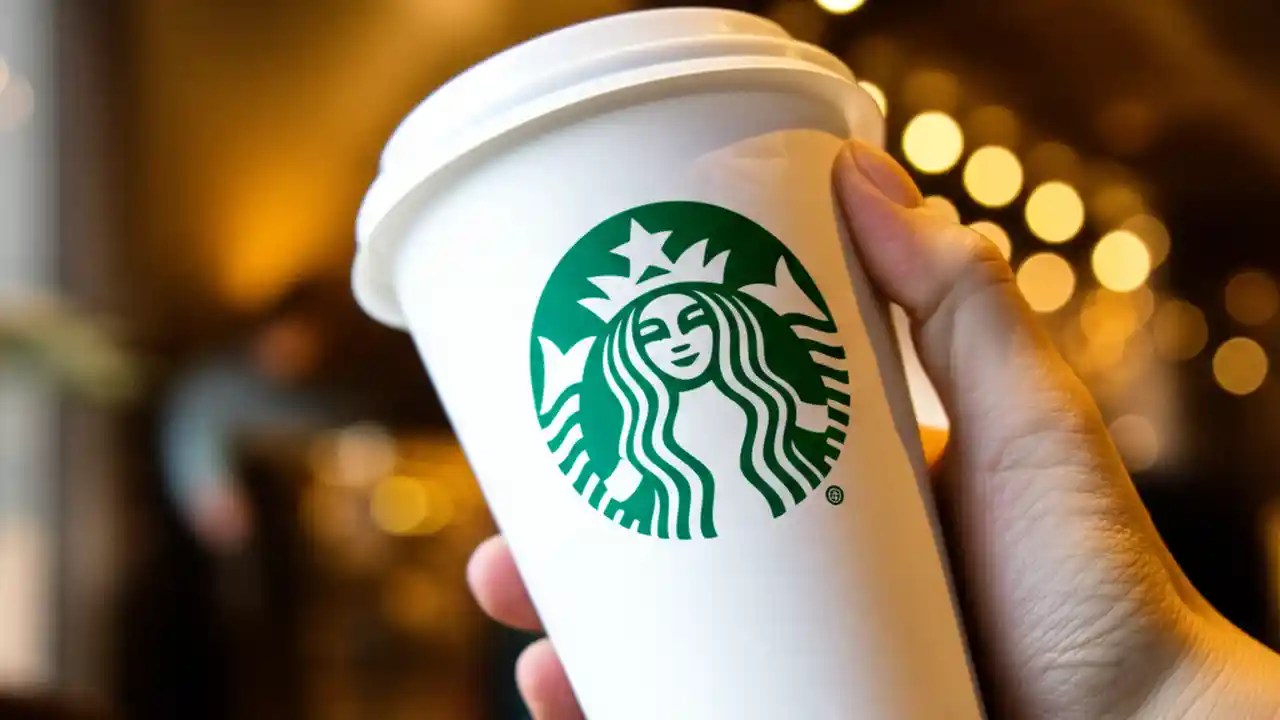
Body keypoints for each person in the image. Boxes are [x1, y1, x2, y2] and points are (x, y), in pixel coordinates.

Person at [466, 139, 1280, 719]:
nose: (675, 338)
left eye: (693, 316)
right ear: (623, 359)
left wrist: (1153, 698)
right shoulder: (648, 467)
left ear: (731, 325)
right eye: (651, 331)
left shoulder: (778, 427)